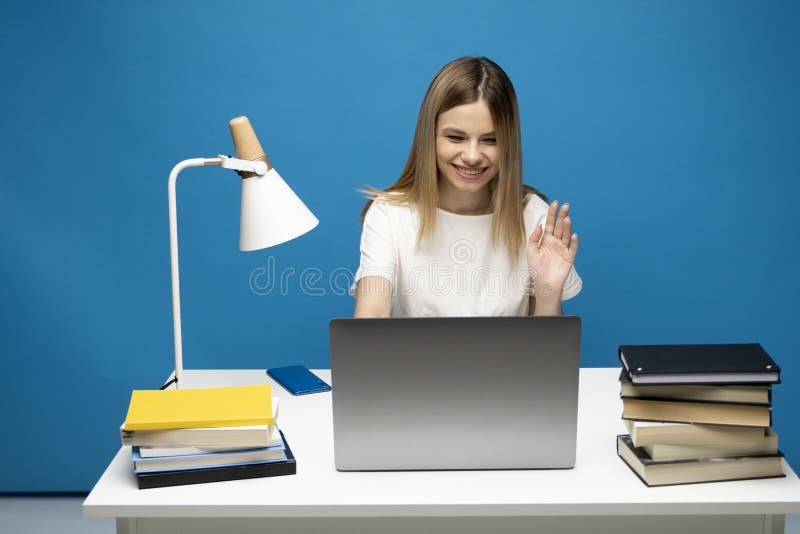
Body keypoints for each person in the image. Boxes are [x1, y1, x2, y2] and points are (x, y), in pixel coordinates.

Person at [351, 57, 582, 318]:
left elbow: (546, 354)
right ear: (430, 136)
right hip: (414, 361)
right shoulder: (390, 214)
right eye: (455, 137)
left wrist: (548, 292)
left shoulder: (533, 217)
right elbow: (371, 323)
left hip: (508, 361)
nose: (472, 156)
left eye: (490, 140)